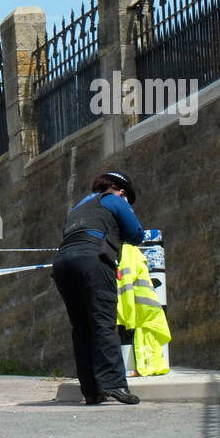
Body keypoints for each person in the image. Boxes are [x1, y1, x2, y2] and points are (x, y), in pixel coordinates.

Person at [51, 170, 145, 405]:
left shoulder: (77, 208)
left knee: (81, 327)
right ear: (121, 190)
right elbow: (136, 234)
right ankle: (114, 384)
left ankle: (91, 391)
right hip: (92, 260)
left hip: (62, 263)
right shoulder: (114, 199)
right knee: (102, 322)